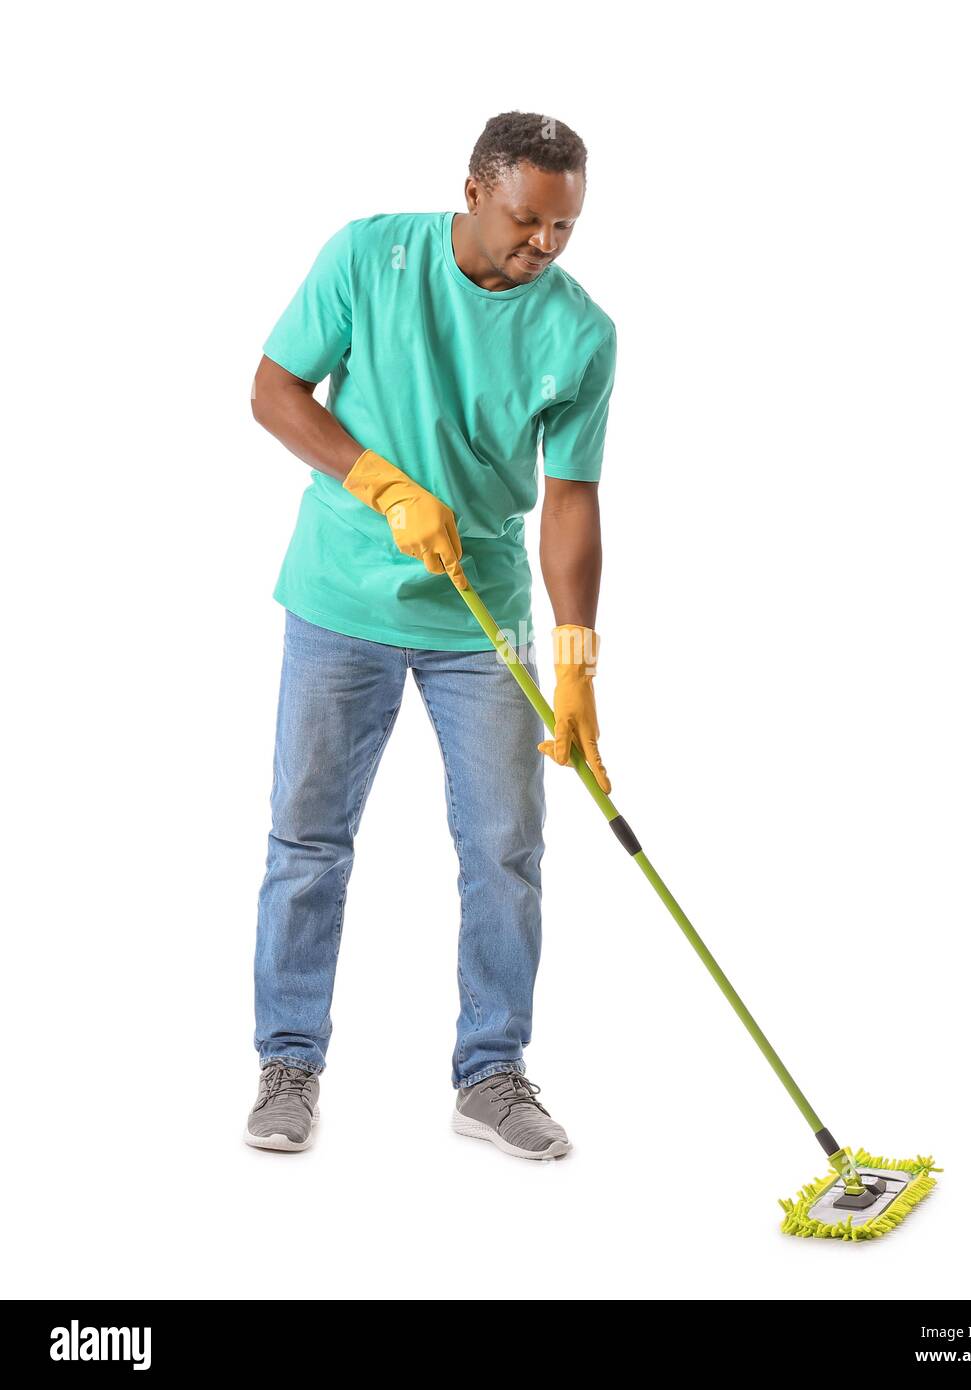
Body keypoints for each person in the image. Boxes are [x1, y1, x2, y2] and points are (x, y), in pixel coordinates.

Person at [244, 111, 616, 1160]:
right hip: (337, 600)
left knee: (505, 847)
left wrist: (578, 661)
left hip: (480, 619)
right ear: (473, 188)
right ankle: (288, 1062)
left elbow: (571, 503)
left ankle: (491, 1074)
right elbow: (274, 390)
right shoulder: (369, 254)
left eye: (563, 228)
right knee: (307, 841)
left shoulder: (580, 332)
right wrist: (382, 481)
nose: (541, 245)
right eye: (526, 220)